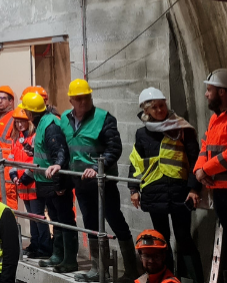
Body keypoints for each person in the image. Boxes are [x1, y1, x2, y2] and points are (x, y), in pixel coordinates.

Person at [60, 79, 138, 283]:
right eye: (79, 98)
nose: (83, 101)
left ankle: (132, 270)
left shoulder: (104, 118)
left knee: (116, 221)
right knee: (91, 225)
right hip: (81, 184)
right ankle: (98, 268)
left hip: (103, 183)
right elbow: (64, 149)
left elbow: (114, 148)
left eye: (86, 97)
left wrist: (96, 168)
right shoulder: (64, 120)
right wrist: (60, 166)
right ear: (71, 100)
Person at [128, 87, 204, 283]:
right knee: (161, 241)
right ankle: (167, 280)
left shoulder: (182, 129)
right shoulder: (142, 134)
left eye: (162, 105)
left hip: (179, 193)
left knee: (184, 238)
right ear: (146, 110)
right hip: (154, 194)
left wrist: (195, 187)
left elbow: (196, 159)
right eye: (155, 107)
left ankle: (192, 280)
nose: (160, 110)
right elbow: (136, 162)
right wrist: (134, 189)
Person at [25, 92, 78, 273]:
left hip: (55, 182)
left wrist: (60, 184)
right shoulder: (42, 124)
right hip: (45, 181)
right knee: (56, 219)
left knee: (65, 220)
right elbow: (48, 154)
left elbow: (59, 155)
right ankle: (58, 255)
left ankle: (69, 259)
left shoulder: (50, 125)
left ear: (30, 113)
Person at [194, 68, 227, 283]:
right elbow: (205, 146)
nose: (206, 94)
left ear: (223, 92)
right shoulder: (215, 119)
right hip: (219, 190)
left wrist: (205, 170)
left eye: (210, 90)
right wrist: (199, 172)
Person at [6, 104, 50, 259]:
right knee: (32, 217)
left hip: (33, 183)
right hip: (23, 185)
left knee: (38, 217)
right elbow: (12, 159)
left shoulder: (34, 137)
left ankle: (44, 248)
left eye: (22, 121)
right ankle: (35, 244)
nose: (19, 124)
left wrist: (26, 176)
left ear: (29, 121)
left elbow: (36, 160)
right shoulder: (17, 139)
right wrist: (14, 176)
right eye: (17, 121)